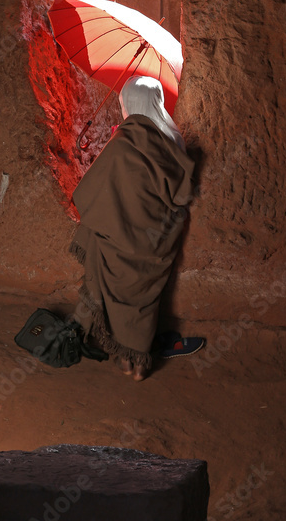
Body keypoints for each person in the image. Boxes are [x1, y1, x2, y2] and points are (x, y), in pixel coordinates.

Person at [69, 75, 195, 381]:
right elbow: (178, 196)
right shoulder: (173, 140)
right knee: (145, 302)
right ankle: (139, 363)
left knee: (99, 245)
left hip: (120, 242)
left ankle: (124, 361)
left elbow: (86, 194)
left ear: (129, 103)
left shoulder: (123, 143)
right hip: (157, 244)